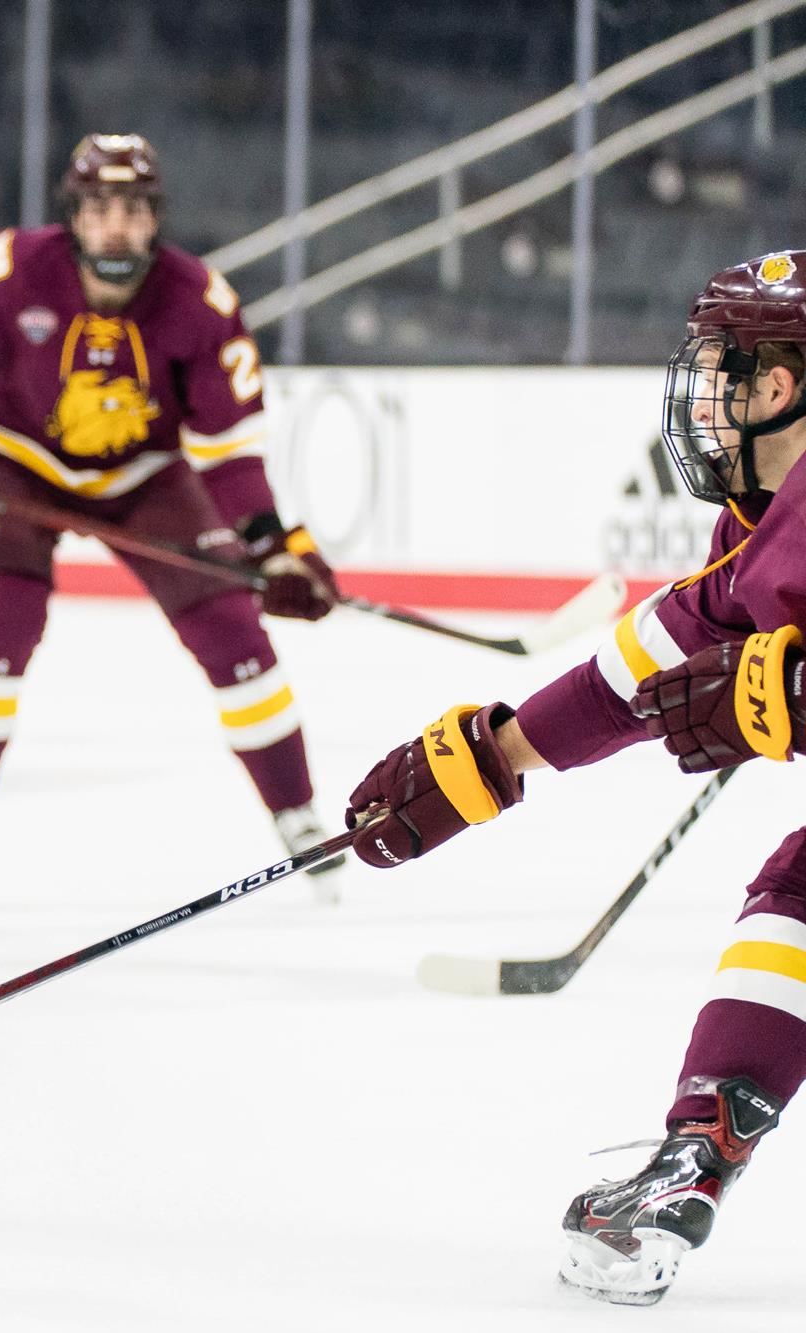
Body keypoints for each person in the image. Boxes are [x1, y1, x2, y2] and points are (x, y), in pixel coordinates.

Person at [341, 250, 806, 1306]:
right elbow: (639, 668)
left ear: (775, 388)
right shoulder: (762, 526)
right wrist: (485, 760)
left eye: (721, 372)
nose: (702, 400)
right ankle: (699, 1146)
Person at [0, 134, 344, 901]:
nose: (114, 225)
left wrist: (274, 549)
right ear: (73, 216)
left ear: (155, 218)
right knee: (0, 621)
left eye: (132, 208)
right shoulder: (15, 266)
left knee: (232, 628)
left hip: (143, 477)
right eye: (98, 208)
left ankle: (299, 814)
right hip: (12, 463)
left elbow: (229, 456)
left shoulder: (202, 305)